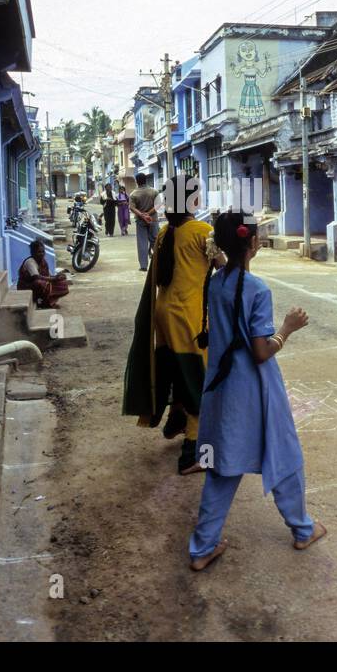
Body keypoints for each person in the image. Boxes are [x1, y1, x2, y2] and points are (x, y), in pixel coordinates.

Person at [187, 211, 325, 572]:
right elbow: (261, 351)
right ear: (252, 244)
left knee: (222, 466)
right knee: (283, 453)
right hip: (256, 388)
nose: (261, 240)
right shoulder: (257, 289)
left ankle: (202, 548)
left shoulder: (215, 283)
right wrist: (288, 328)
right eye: (258, 236)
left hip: (220, 388)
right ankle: (302, 529)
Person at [122, 174, 218, 474]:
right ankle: (192, 450)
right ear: (194, 200)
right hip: (187, 317)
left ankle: (175, 419)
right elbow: (225, 267)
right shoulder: (203, 232)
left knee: (175, 367)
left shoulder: (164, 233)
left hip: (163, 313)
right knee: (196, 377)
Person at [17, 239, 70, 308]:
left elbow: (47, 275)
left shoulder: (43, 261)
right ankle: (44, 303)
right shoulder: (30, 262)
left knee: (63, 283)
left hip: (40, 282)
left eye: (43, 251)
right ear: (33, 253)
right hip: (26, 286)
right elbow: (37, 277)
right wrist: (54, 279)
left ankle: (50, 301)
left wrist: (58, 277)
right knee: (40, 283)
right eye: (39, 252)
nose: (42, 254)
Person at [128, 172, 160, 272]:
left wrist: (142, 215)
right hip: (153, 220)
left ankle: (143, 266)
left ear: (137, 181)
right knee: (155, 241)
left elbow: (132, 208)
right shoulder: (154, 191)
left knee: (142, 243)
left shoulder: (134, 194)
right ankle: (160, 263)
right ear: (146, 180)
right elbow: (158, 205)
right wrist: (148, 214)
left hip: (141, 221)